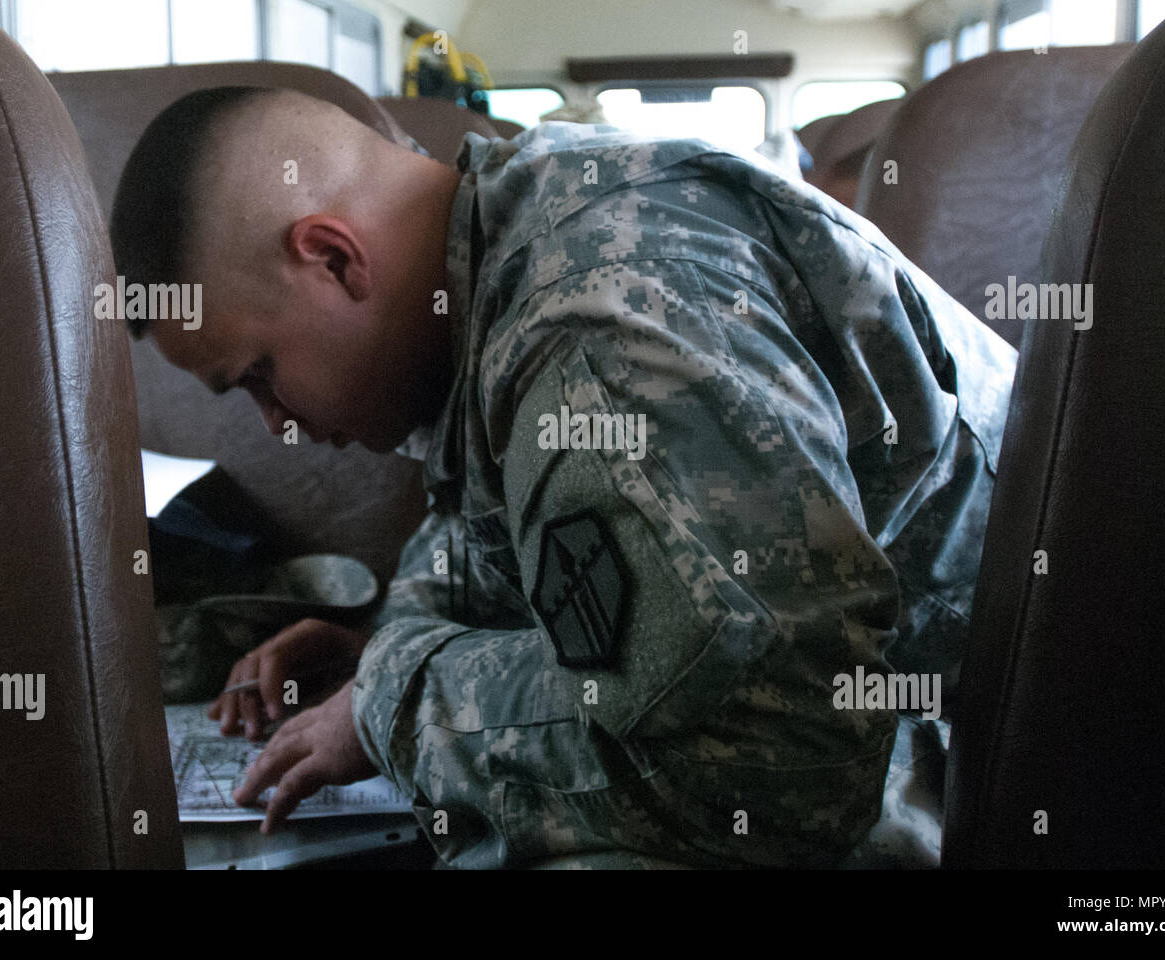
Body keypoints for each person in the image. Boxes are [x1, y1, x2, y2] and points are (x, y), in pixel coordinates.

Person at [110, 86, 1017, 869]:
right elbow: (533, 554)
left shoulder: (599, 323)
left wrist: (395, 703)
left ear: (334, 257)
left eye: (261, 375)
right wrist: (377, 651)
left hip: (965, 747)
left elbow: (771, 764)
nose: (279, 424)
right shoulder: (502, 246)